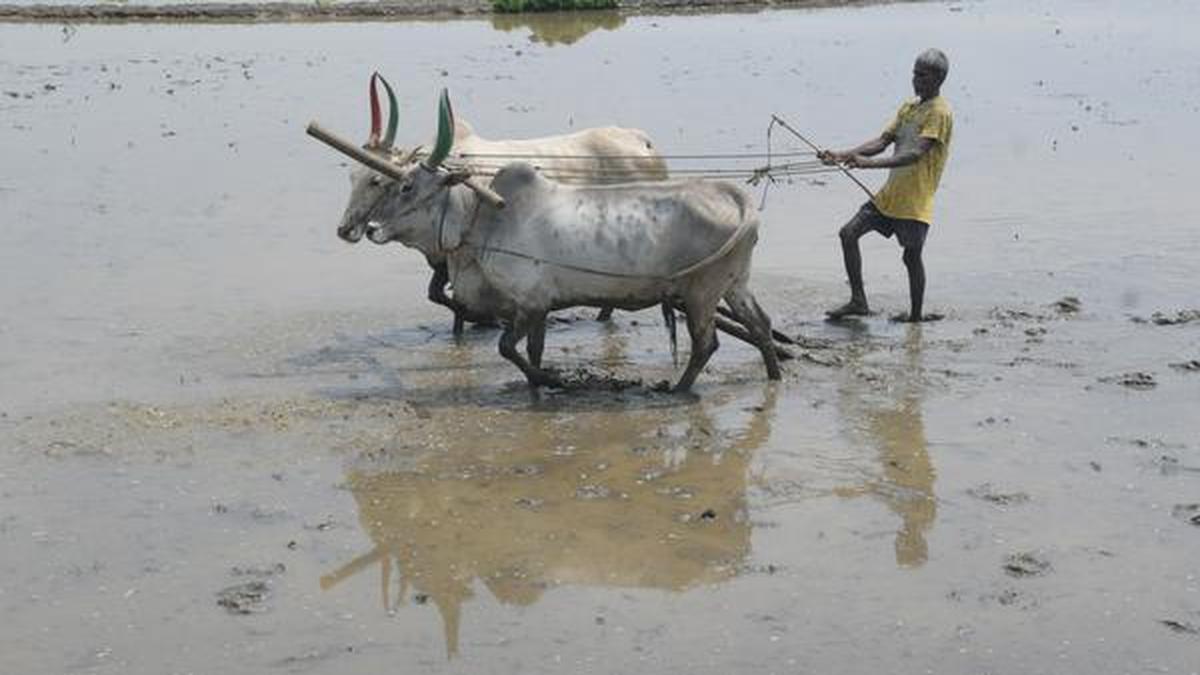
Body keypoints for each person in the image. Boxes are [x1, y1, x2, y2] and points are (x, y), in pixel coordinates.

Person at [819, 49, 954, 322]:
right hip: (890, 196)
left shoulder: (939, 112)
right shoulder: (909, 108)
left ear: (939, 79)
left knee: (911, 258)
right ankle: (858, 300)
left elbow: (916, 153)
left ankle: (915, 317)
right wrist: (842, 155)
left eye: (923, 75)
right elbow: (882, 142)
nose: (916, 80)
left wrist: (868, 165)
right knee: (848, 233)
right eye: (914, 73)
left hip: (915, 200)